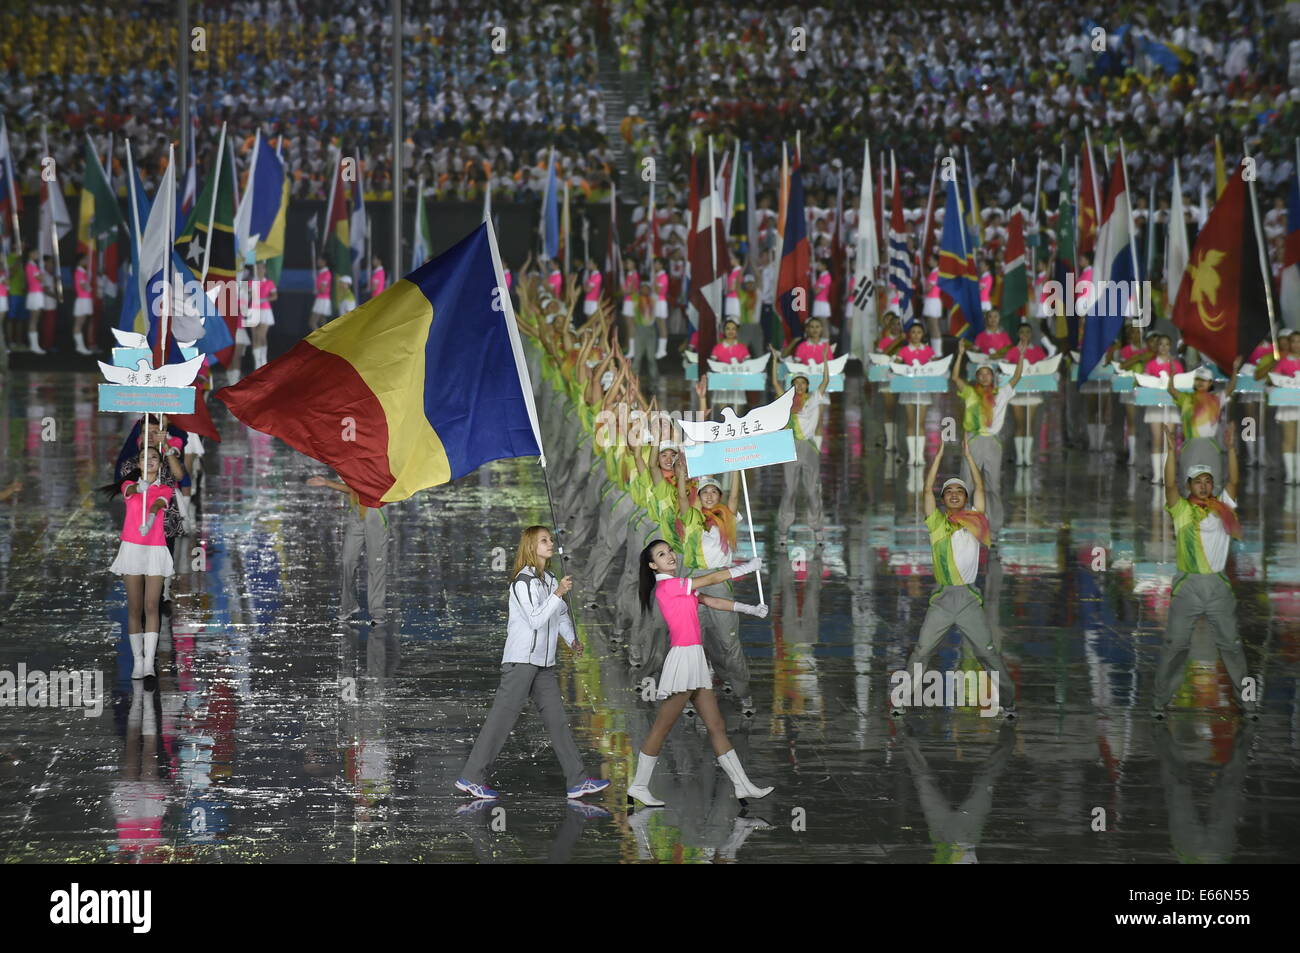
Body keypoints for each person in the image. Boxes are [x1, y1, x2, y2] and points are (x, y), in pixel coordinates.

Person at [455, 526, 611, 800]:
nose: (550, 543)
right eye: (544, 540)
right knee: (501, 720)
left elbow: (560, 616)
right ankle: (471, 777)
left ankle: (577, 781)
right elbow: (537, 619)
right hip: (521, 662)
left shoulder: (550, 579)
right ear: (531, 547)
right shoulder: (522, 582)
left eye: (550, 539)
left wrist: (571, 640)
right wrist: (558, 594)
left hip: (544, 664)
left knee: (558, 721)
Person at [626, 540, 771, 807]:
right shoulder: (669, 586)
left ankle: (742, 785)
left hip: (695, 658)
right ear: (652, 565)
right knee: (662, 726)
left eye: (669, 551)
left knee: (716, 726)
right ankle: (638, 785)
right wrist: (745, 568)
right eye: (661, 554)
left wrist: (749, 609)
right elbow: (713, 578)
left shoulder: (681, 585)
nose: (669, 556)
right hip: (683, 660)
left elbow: (713, 600)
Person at [894, 436, 1017, 717]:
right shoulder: (936, 522)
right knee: (922, 651)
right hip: (942, 599)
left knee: (987, 655)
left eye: (959, 492)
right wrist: (937, 454)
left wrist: (969, 458)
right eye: (948, 492)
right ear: (943, 499)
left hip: (968, 601)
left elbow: (981, 487)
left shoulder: (975, 520)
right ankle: (901, 701)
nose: (953, 495)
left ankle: (1008, 703)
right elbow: (926, 490)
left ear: (965, 498)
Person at [1153, 425, 1257, 720]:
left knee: (1233, 648)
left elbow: (1235, 479)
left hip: (1218, 588)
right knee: (1175, 647)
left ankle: (1247, 704)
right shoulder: (1181, 509)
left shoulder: (1222, 508)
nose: (1203, 486)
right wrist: (1171, 452)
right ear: (1189, 485)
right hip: (1187, 587)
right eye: (1198, 482)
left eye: (1208, 481)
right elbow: (1168, 485)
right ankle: (1160, 703)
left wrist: (1232, 449)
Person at [104, 446, 174, 679]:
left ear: (161, 465)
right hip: (132, 548)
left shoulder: (165, 489)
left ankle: (149, 665)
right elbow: (130, 489)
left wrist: (152, 517)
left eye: (155, 458)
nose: (150, 461)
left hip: (155, 549)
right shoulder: (129, 487)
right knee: (134, 607)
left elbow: (158, 504)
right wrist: (138, 487)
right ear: (139, 464)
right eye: (145, 457)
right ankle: (137, 661)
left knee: (151, 606)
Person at [951, 337, 1025, 538]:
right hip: (973, 441)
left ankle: (993, 526)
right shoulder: (970, 393)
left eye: (988, 374)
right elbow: (955, 377)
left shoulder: (1001, 393)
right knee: (967, 483)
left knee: (993, 486)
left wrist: (1021, 354)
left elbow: (1017, 376)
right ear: (977, 377)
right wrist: (959, 355)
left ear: (992, 377)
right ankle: (963, 523)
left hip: (992, 443)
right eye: (981, 374)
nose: (984, 377)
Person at [307, 473, 390, 624]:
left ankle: (377, 612)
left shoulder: (380, 462)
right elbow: (352, 489)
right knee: (347, 561)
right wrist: (326, 482)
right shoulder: (354, 462)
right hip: (357, 514)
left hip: (376, 515)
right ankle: (348, 606)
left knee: (375, 565)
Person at [770, 354, 830, 548]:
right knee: (789, 490)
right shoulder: (786, 402)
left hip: (809, 448)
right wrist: (774, 361)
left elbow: (826, 380)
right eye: (796, 383)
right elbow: (774, 382)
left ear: (807, 386)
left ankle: (818, 528)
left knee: (812, 490)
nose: (800, 386)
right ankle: (783, 531)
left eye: (803, 383)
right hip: (791, 447)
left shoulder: (813, 400)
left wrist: (826, 360)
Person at [1170, 361, 1239, 490]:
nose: (1200, 383)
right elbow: (1171, 390)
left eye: (1204, 380)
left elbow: (1231, 387)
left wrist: (1234, 369)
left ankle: (1212, 507)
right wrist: (1172, 374)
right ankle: (1190, 508)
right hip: (1190, 444)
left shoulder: (1217, 399)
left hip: (1210, 445)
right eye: (1198, 380)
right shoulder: (1185, 398)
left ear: (1210, 383)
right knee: (1188, 481)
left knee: (1213, 481)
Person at [1004, 323, 1050, 467]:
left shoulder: (1038, 351)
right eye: (1022, 332)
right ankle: (1019, 456)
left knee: (1030, 423)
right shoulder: (1012, 351)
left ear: (1031, 335)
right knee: (1019, 424)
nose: (1025, 335)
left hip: (1033, 391)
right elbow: (1005, 369)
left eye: (1028, 332)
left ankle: (1027, 456)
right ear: (1018, 334)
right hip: (1017, 392)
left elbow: (1044, 368)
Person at [895, 320, 938, 466]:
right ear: (909, 335)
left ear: (923, 335)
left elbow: (935, 366)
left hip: (923, 389)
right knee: (911, 421)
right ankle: (912, 456)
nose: (916, 335)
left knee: (921, 422)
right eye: (913, 332)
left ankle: (920, 456)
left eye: (919, 332)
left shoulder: (928, 350)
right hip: (908, 389)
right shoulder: (904, 350)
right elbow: (896, 365)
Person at [1144, 334, 1185, 483]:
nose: (1164, 347)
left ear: (1170, 346)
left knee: (1169, 439)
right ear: (1157, 346)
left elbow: (1181, 384)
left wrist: (1173, 372)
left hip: (1171, 407)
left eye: (1167, 344)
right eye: (1161, 344)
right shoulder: (1151, 364)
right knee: (1156, 439)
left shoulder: (1176, 365)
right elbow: (1145, 381)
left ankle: (1167, 473)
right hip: (1155, 406)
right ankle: (1156, 474)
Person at [24, 248, 46, 355]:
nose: (37, 254)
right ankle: (34, 346)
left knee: (34, 320)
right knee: (34, 320)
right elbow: (41, 279)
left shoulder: (33, 266)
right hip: (35, 294)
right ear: (30, 254)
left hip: (36, 293)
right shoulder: (31, 266)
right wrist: (42, 272)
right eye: (35, 252)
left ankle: (34, 345)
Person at [72, 253, 94, 355]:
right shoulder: (79, 272)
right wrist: (89, 284)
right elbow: (84, 287)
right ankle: (80, 347)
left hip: (85, 300)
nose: (86, 261)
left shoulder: (83, 272)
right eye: (85, 259)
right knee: (79, 323)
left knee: (81, 323)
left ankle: (80, 346)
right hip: (82, 300)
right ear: (80, 261)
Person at [310, 256, 332, 332]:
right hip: (322, 299)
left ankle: (320, 341)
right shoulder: (321, 273)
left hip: (322, 300)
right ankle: (326, 341)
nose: (318, 261)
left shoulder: (326, 274)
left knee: (312, 322)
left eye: (319, 260)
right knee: (323, 323)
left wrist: (316, 290)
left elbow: (323, 290)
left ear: (324, 262)